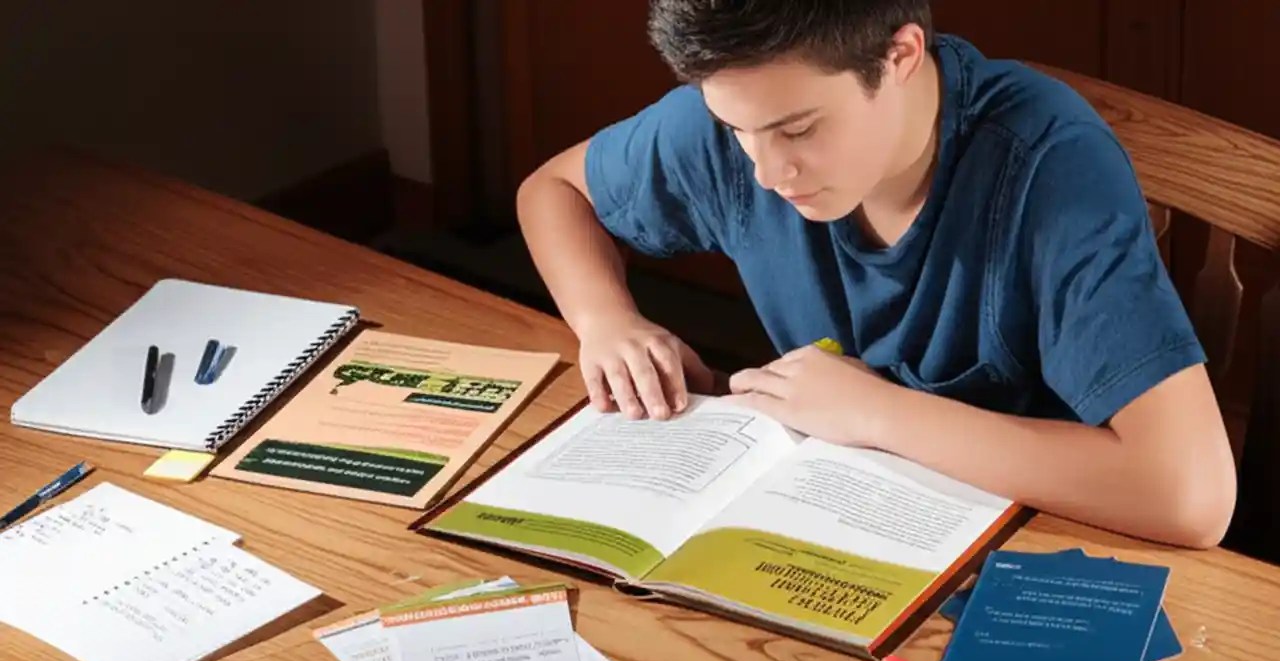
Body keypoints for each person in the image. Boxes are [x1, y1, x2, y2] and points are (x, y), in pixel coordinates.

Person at [514, 0, 1236, 549]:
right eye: (737, 130)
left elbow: (1191, 495)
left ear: (901, 56)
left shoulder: (1049, 167)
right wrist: (606, 320)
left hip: (1041, 540)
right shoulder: (743, 124)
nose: (765, 173)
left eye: (798, 131)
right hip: (840, 516)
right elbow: (554, 191)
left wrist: (875, 413)